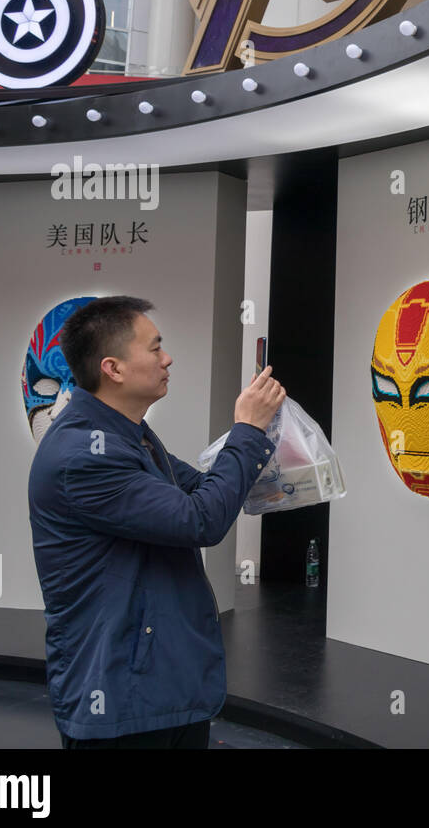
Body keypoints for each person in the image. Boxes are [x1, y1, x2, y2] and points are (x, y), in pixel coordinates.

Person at [27, 296, 284, 748]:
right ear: (113, 368)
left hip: (161, 690)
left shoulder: (129, 435)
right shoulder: (84, 456)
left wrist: (277, 459)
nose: (167, 358)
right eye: (154, 348)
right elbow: (201, 519)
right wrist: (247, 430)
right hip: (121, 702)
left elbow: (202, 488)